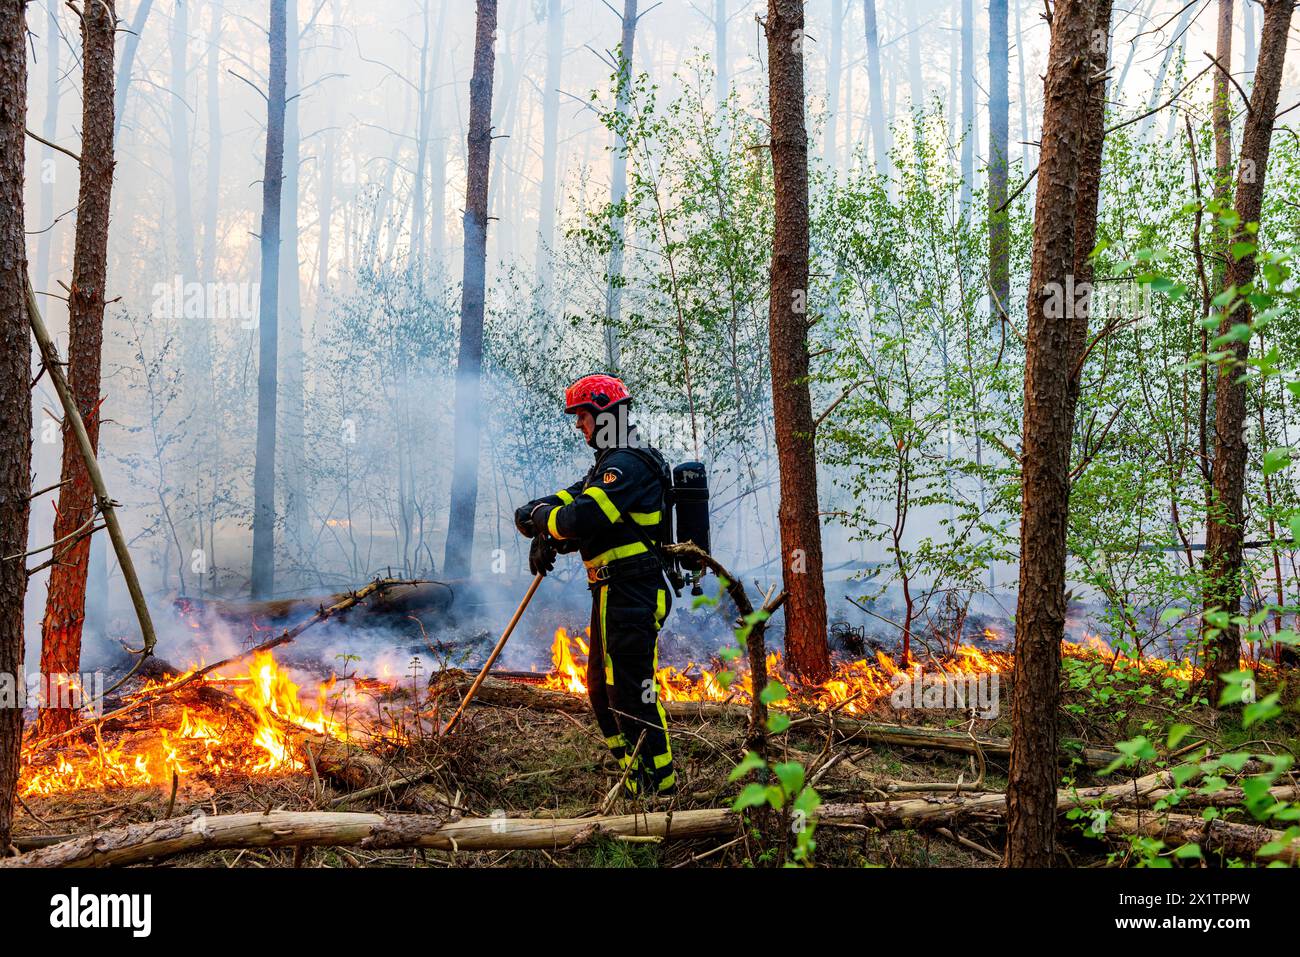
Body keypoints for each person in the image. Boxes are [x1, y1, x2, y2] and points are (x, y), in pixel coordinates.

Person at [515, 373, 676, 798]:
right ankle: (634, 782)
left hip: (633, 593)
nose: (578, 426)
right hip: (610, 592)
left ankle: (662, 793)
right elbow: (567, 505)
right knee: (603, 694)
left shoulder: (628, 463)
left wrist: (543, 524)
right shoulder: (608, 464)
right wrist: (539, 523)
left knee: (632, 696)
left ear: (604, 413)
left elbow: (582, 518)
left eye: (582, 416)